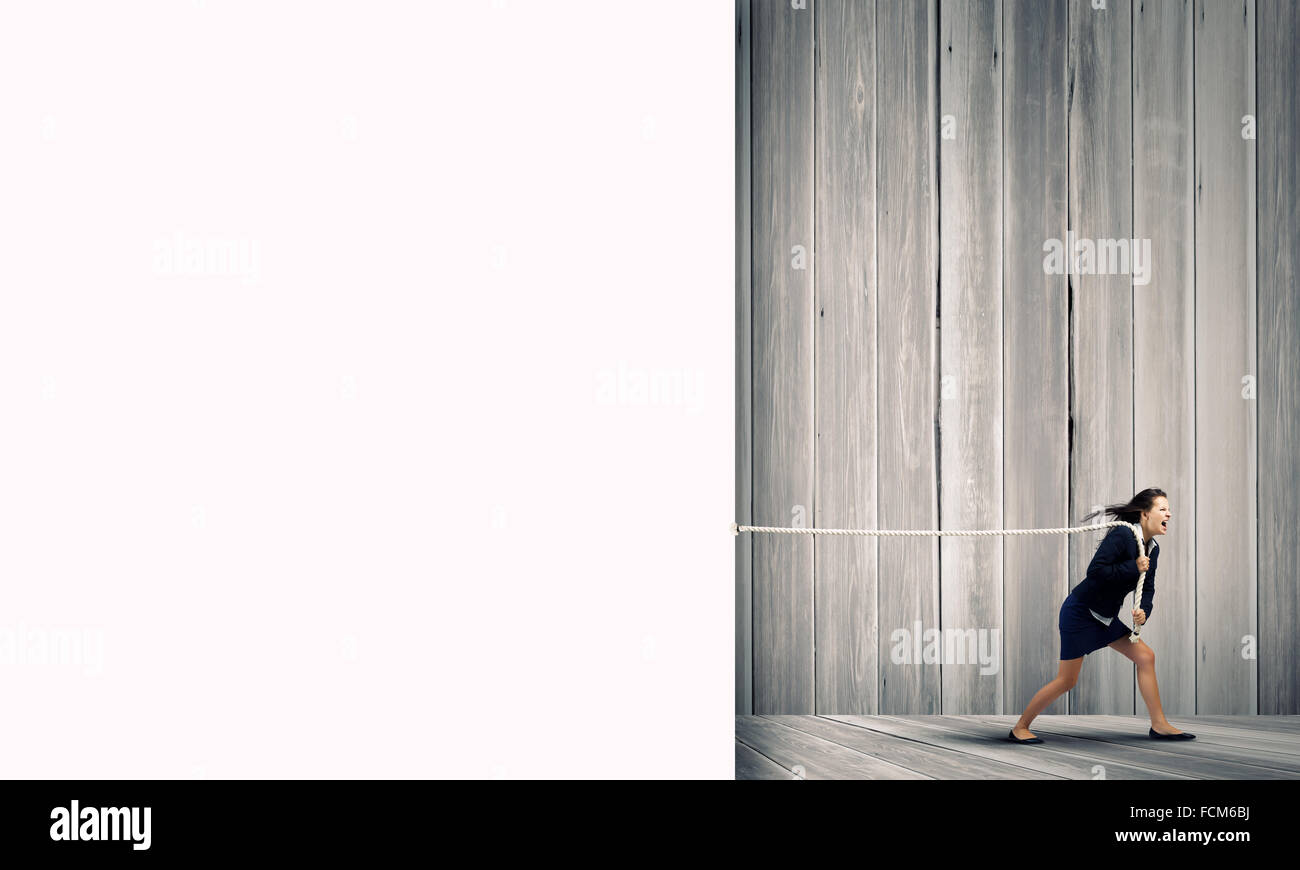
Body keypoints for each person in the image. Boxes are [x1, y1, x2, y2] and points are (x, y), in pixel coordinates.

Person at [1008, 488, 1194, 743]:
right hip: (1081, 613)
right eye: (1162, 509)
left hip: (1105, 619)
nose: (1169, 514)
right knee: (1066, 680)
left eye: (1168, 509)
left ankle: (1159, 724)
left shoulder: (1153, 549)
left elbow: (1148, 588)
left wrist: (1144, 612)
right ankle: (1020, 728)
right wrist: (1133, 566)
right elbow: (1096, 571)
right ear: (1144, 514)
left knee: (1146, 657)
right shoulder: (1123, 535)